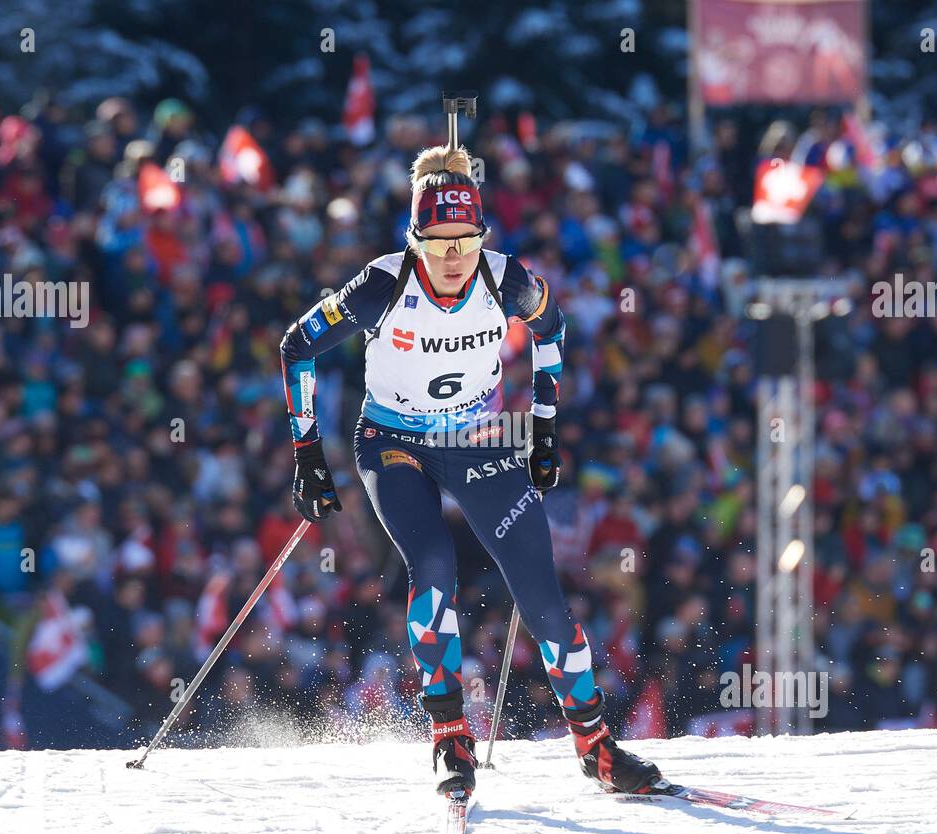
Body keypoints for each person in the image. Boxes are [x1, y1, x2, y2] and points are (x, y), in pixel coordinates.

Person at [279, 142, 662, 798]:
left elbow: (553, 329)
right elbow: (297, 347)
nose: (453, 255)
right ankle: (450, 739)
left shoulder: (505, 278)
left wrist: (543, 429)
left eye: (465, 240)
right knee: (432, 566)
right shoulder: (382, 284)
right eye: (439, 241)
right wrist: (308, 453)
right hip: (393, 440)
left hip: (478, 440)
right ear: (416, 238)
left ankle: (595, 746)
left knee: (542, 595)